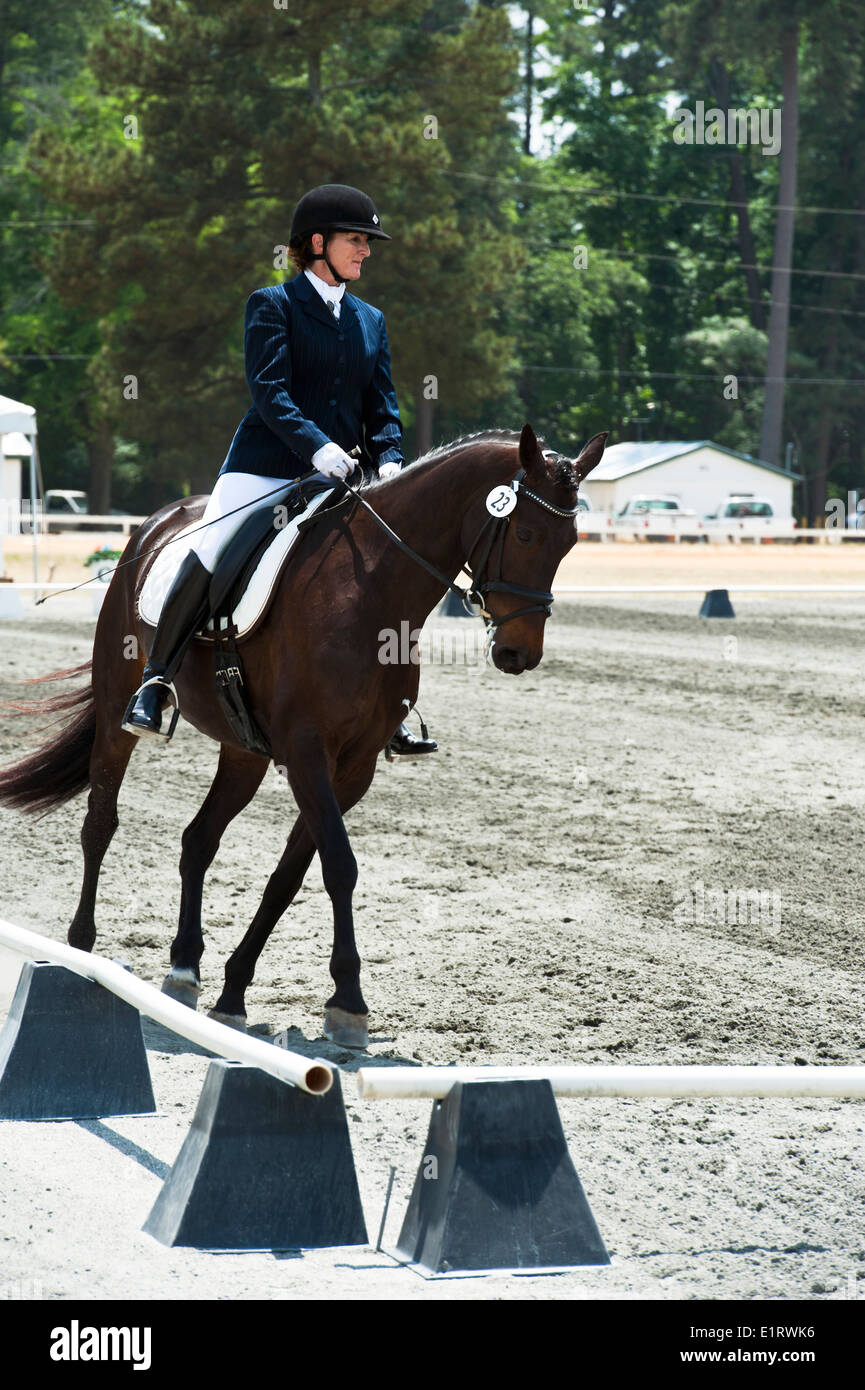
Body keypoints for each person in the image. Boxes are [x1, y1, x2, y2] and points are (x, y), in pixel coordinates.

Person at [121, 183, 437, 757]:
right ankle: (156, 678)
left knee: (375, 570)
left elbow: (382, 406)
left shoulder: (371, 320)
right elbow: (270, 392)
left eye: (368, 242)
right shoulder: (273, 305)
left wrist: (390, 460)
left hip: (343, 475)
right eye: (355, 240)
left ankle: (385, 706)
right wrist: (317, 447)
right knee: (215, 548)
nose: (366, 250)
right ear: (316, 243)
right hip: (266, 467)